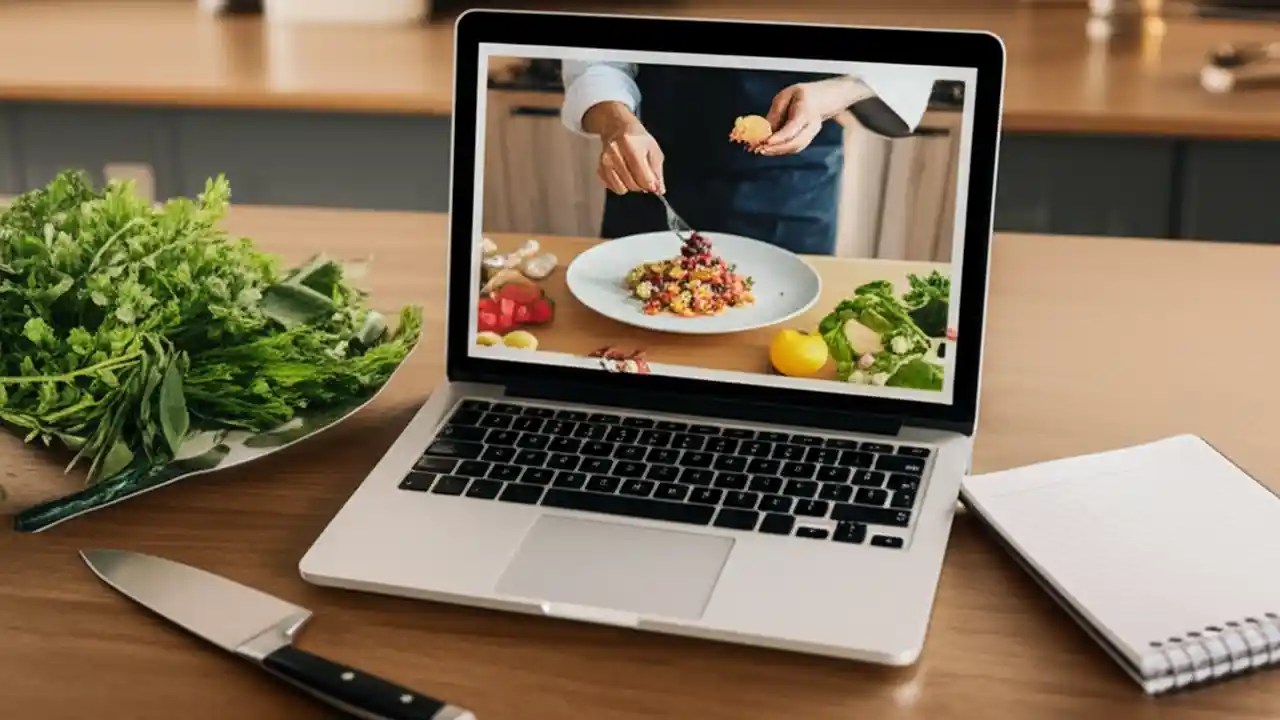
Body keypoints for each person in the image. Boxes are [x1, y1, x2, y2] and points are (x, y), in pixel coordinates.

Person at [561, 61, 937, 255]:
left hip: (792, 188)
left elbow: (911, 59)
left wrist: (834, 93)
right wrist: (616, 123)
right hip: (649, 170)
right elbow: (596, 58)